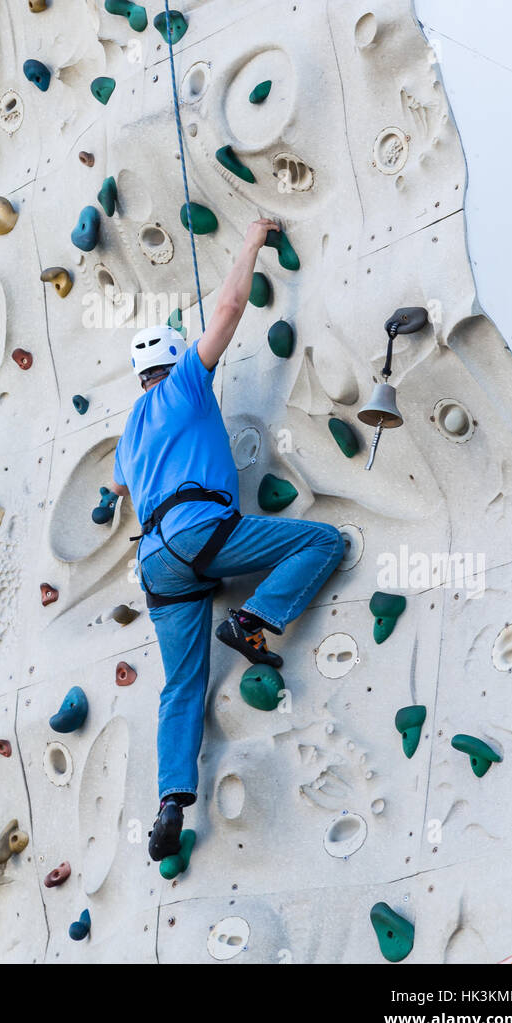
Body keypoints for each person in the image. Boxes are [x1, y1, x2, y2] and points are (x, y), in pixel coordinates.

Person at [110, 218, 346, 862]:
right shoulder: (186, 382)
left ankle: (170, 803)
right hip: (199, 534)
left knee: (180, 686)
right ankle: (251, 618)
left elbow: (122, 491)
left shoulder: (128, 435)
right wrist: (252, 240)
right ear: (173, 360)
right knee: (322, 541)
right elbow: (231, 308)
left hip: (156, 566)